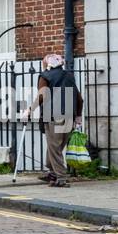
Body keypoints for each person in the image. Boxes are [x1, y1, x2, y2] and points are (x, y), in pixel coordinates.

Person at [27, 53, 84, 188]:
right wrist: (78, 116)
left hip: (53, 116)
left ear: (48, 64)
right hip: (69, 116)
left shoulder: (45, 76)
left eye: (43, 63)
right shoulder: (69, 76)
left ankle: (61, 177)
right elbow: (79, 98)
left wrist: (30, 109)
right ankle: (51, 172)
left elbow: (42, 95)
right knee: (56, 146)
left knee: (54, 148)